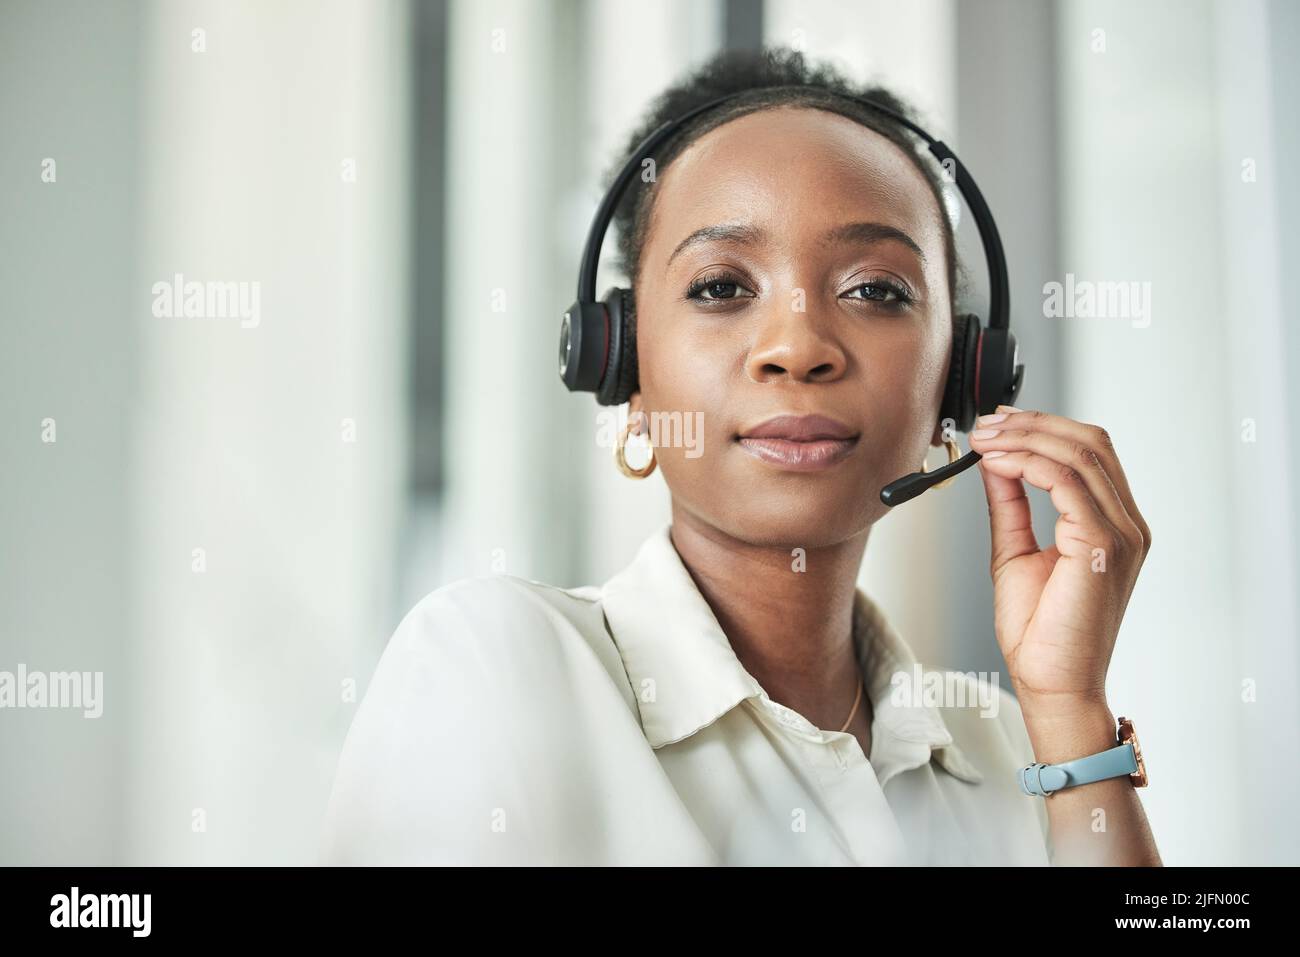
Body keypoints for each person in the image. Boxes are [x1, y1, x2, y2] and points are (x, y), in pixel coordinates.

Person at [322, 47, 1159, 866]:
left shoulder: (1014, 742)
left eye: (875, 289)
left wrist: (1071, 710)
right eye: (721, 286)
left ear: (962, 378)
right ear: (624, 365)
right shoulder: (493, 663)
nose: (796, 349)